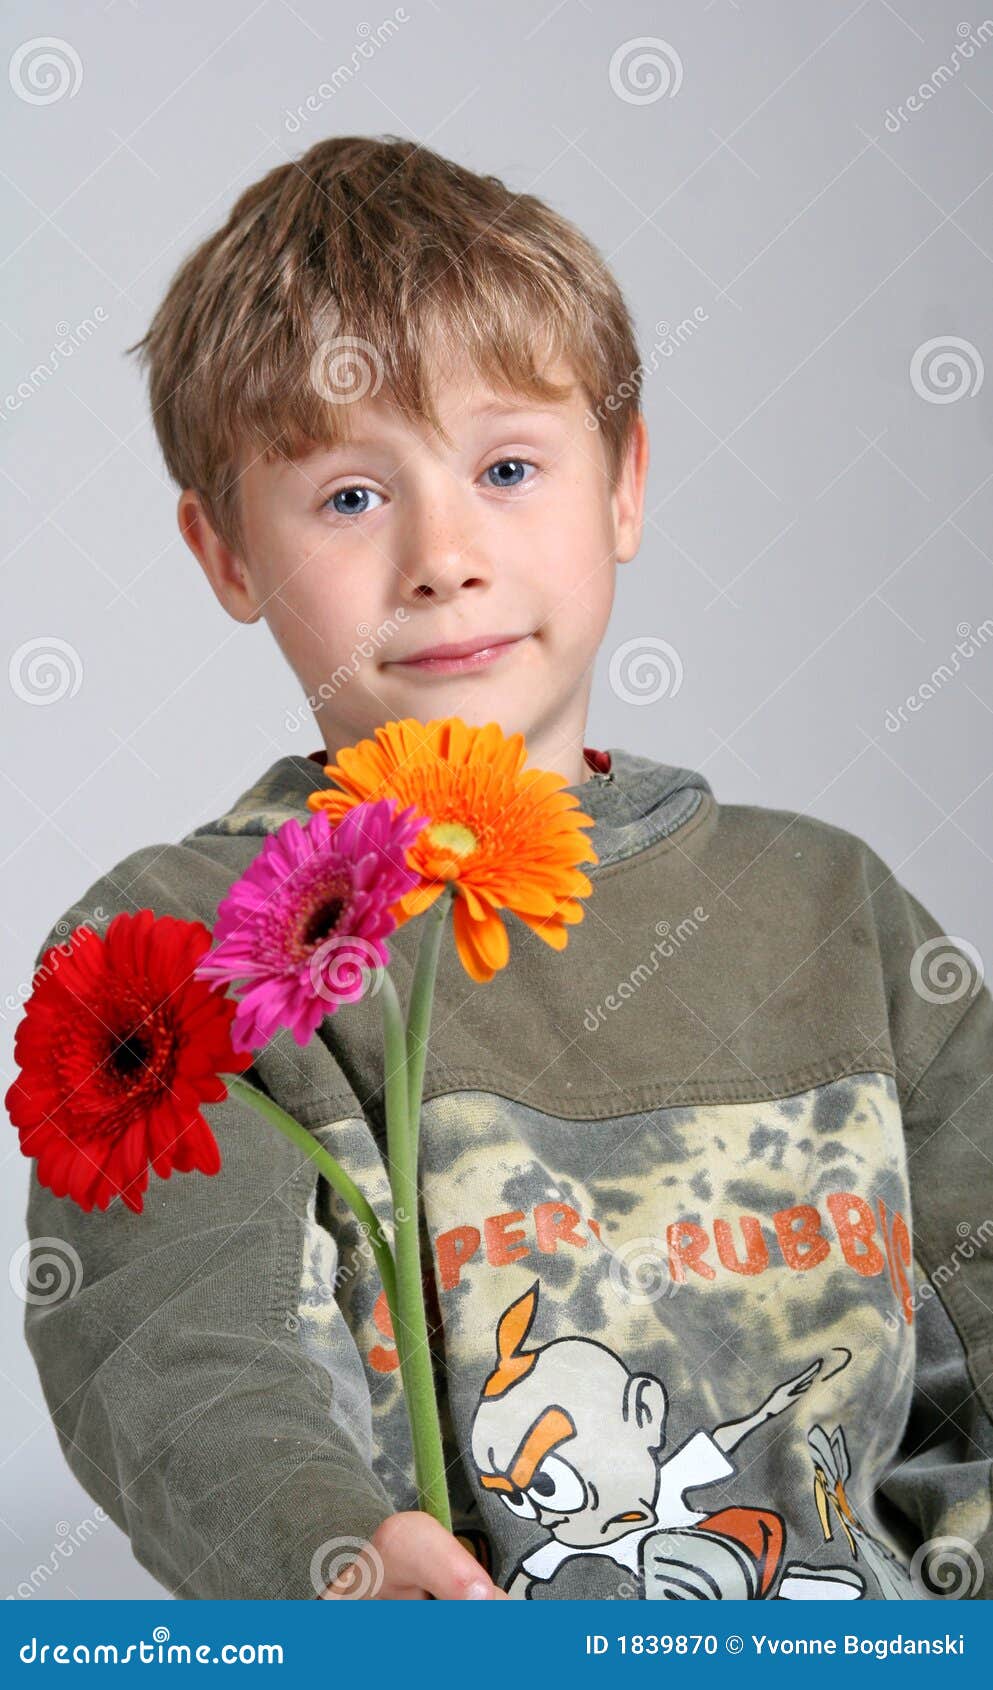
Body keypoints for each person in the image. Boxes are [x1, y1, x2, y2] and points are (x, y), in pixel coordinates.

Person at [16, 135, 993, 1603]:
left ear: (624, 486)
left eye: (509, 468)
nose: (442, 555)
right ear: (226, 554)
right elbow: (177, 1349)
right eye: (351, 497)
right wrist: (325, 1548)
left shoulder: (830, 908)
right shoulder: (176, 942)